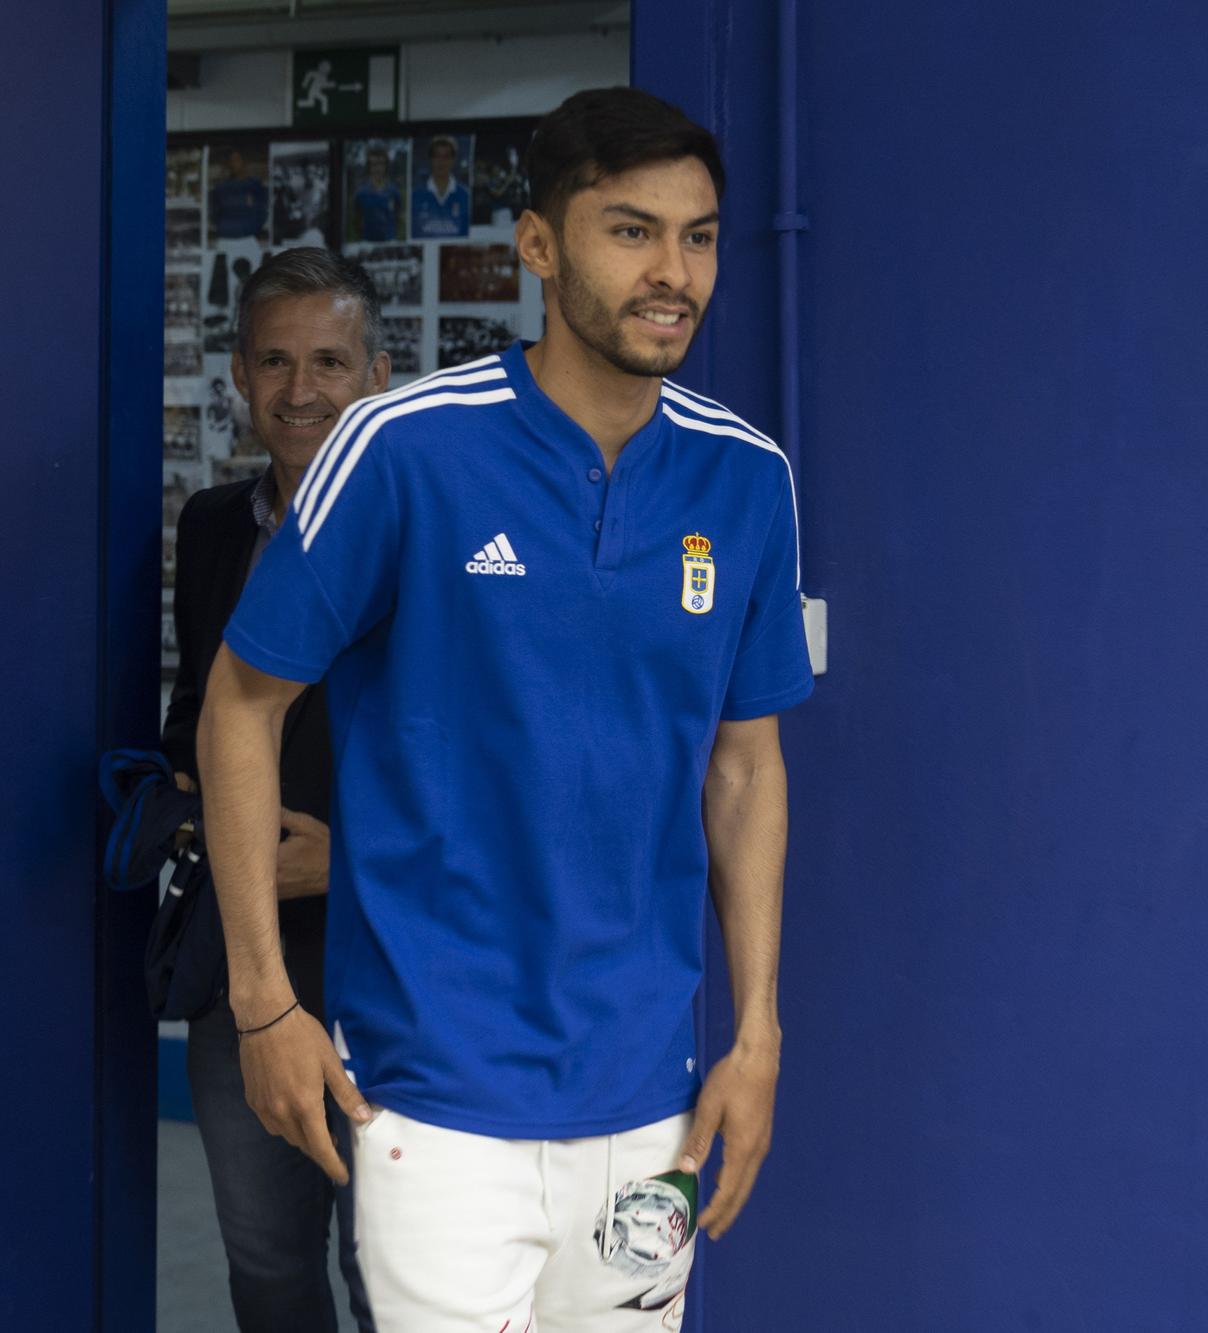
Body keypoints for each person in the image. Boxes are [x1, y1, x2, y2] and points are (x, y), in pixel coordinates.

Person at [196, 87, 813, 1332]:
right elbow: (237, 705)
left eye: (696, 237)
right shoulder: (401, 449)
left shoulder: (745, 478)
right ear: (537, 246)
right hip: (433, 1091)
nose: (672, 273)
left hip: (649, 1091)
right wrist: (263, 997)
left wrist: (754, 1035)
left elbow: (743, 768)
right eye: (629, 231)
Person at [160, 248, 390, 1333]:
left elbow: (484, 761)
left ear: (377, 376)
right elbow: (192, 730)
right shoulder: (212, 527)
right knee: (264, 1266)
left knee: (393, 1270)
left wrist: (347, 857)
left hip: (395, 970)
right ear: (242, 377)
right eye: (275, 362)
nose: (301, 390)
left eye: (330, 362)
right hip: (244, 972)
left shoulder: (425, 529)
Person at [409, 134, 470, 238]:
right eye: (437, 156)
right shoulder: (415, 196)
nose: (441, 161)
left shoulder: (465, 196)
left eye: (446, 156)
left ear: (453, 160)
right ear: (430, 159)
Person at [209, 147, 269, 241]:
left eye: (236, 160)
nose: (233, 164)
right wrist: (222, 228)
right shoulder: (221, 187)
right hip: (226, 237)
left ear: (244, 162)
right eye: (231, 161)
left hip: (249, 236)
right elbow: (214, 213)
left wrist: (254, 229)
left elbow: (262, 211)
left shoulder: (254, 185)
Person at [351, 145, 402, 242]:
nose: (378, 168)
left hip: (390, 241)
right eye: (374, 164)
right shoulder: (361, 193)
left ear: (386, 166)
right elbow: (356, 219)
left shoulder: (394, 192)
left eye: (381, 164)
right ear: (369, 167)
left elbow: (398, 216)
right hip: (367, 242)